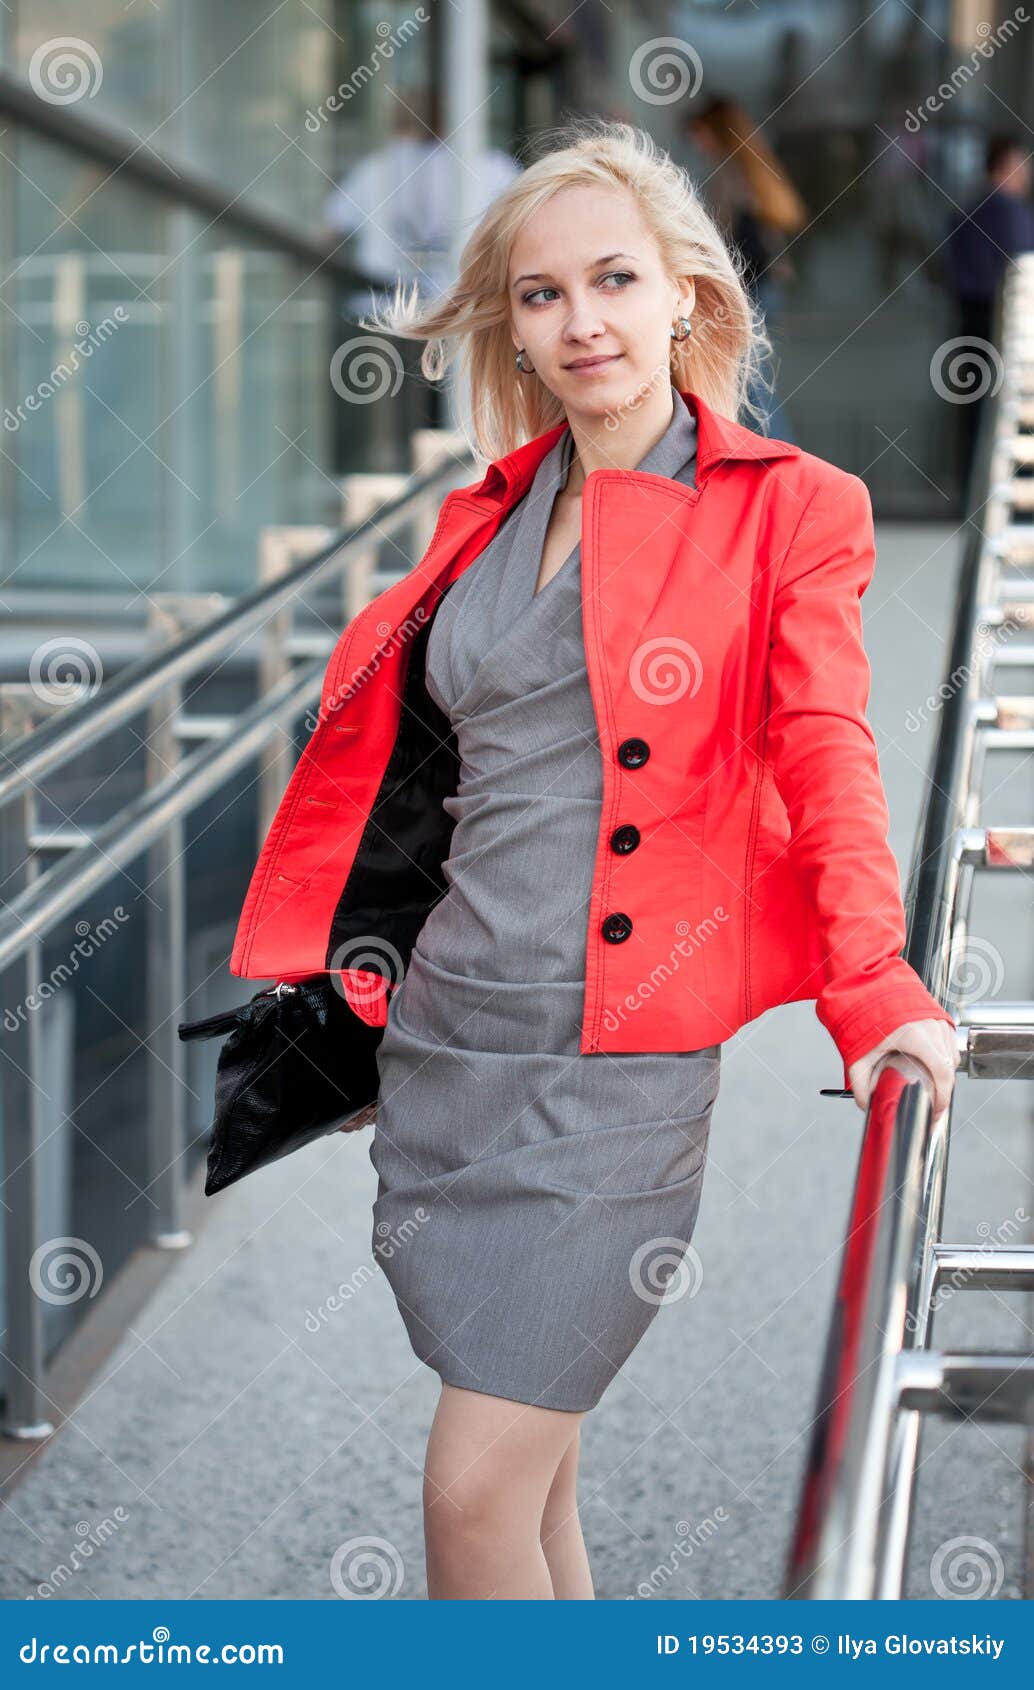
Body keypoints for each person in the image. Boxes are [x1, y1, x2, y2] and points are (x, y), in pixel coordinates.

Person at [228, 119, 959, 1600]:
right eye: (541, 294)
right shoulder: (483, 516)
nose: (580, 322)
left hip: (614, 1069)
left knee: (466, 1495)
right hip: (451, 1041)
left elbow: (827, 747)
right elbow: (426, 792)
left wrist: (870, 978)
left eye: (613, 279)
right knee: (539, 1492)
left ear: (683, 292)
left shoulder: (788, 508)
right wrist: (368, 1005)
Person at [684, 97, 807, 442]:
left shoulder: (728, 175)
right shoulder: (751, 169)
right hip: (766, 290)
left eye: (699, 133)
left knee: (751, 384)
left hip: (749, 293)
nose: (697, 142)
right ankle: (773, 458)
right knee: (751, 379)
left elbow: (719, 242)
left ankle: (780, 460)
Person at [944, 133, 1034, 502]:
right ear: (1005, 167)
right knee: (1010, 416)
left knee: (975, 414)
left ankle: (973, 495)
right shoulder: (1007, 212)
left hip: (971, 324)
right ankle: (1005, 498)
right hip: (1004, 327)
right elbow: (1022, 270)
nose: (1026, 175)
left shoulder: (965, 212)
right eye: (1022, 166)